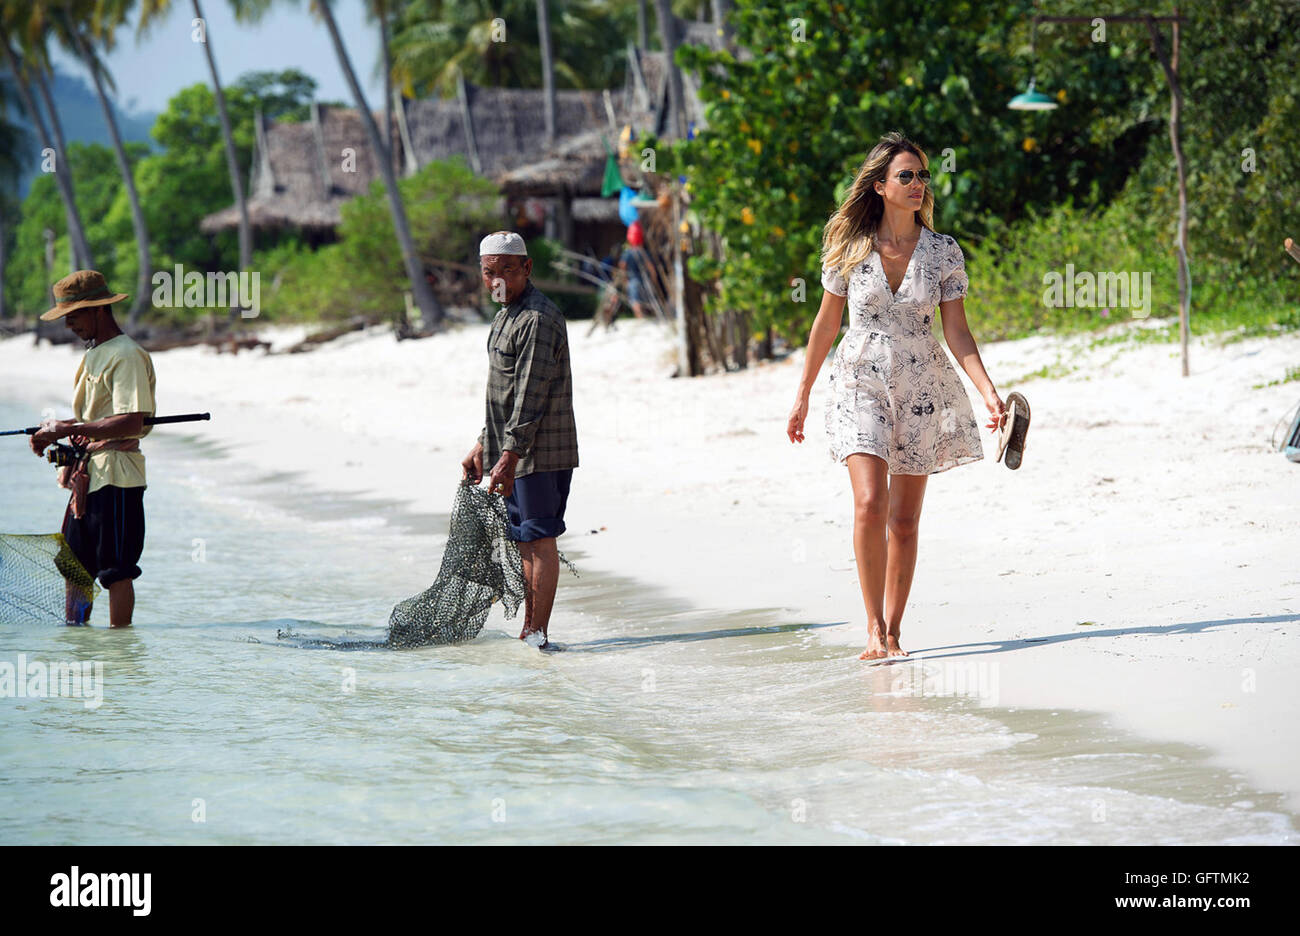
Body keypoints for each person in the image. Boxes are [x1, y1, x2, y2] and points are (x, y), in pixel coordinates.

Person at [786, 131, 1006, 663]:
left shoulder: (942, 251)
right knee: (868, 501)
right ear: (880, 185)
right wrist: (803, 393)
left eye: (922, 175)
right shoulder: (850, 248)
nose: (917, 183)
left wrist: (989, 392)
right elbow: (825, 323)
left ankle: (894, 631)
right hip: (860, 380)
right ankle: (870, 627)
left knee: (904, 521)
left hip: (921, 388)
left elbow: (957, 331)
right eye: (905, 175)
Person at [462, 231, 579, 649]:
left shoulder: (537, 319)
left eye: (507, 272)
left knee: (539, 536)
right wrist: (483, 445)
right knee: (524, 539)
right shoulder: (505, 316)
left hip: (538, 452)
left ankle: (537, 631)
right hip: (510, 451)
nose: (498, 282)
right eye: (490, 273)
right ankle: (531, 631)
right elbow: (503, 393)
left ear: (527, 268)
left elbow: (530, 394)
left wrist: (509, 455)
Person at [28, 270, 156, 628]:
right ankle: (77, 644)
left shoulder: (127, 355)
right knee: (74, 568)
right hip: (87, 476)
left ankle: (120, 649)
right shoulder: (93, 354)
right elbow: (96, 415)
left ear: (98, 310)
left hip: (117, 476)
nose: (68, 325)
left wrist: (67, 428)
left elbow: (131, 421)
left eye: (73, 315)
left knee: (116, 571)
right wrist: (57, 431)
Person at [620, 221, 651, 319]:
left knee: (635, 301)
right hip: (643, 280)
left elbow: (622, 265)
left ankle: (640, 318)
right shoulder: (643, 253)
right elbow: (650, 267)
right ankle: (642, 317)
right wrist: (653, 278)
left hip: (633, 280)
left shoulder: (627, 253)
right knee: (643, 300)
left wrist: (625, 279)